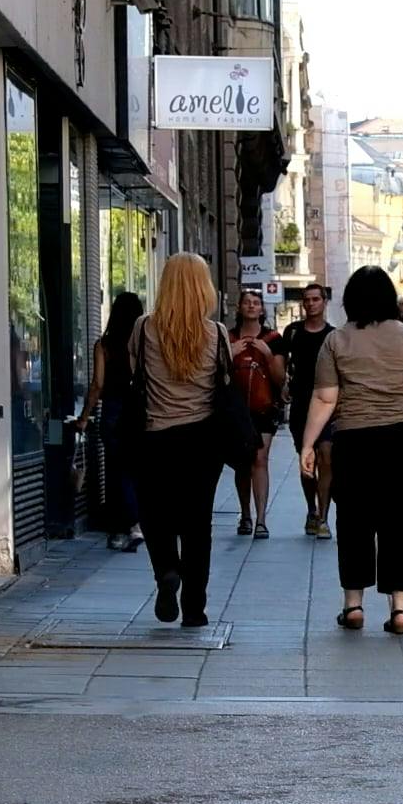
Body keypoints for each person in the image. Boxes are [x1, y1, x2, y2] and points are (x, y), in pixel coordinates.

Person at [299, 265, 403, 635]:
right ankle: (400, 608)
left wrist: (308, 445)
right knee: (400, 522)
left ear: (350, 300)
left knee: (353, 521)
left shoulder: (336, 341)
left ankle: (353, 605)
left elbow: (325, 398)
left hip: (354, 440)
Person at [128, 253, 232, 628]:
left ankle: (166, 572)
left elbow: (135, 373)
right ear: (204, 287)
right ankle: (194, 608)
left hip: (154, 438)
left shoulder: (143, 328)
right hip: (203, 441)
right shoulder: (217, 333)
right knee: (197, 524)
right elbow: (225, 382)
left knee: (155, 516)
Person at [72, 292, 145, 552]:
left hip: (113, 412)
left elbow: (97, 385)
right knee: (134, 470)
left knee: (116, 471)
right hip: (140, 411)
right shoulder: (145, 343)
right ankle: (133, 526)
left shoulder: (104, 345)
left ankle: (124, 529)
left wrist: (84, 417)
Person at [228, 288, 286, 540]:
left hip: (264, 407)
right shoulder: (227, 336)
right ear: (239, 308)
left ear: (262, 309)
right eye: (247, 303)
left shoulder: (273, 338)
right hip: (235, 409)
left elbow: (279, 378)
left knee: (259, 460)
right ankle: (245, 514)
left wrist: (267, 354)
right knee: (242, 463)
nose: (251, 306)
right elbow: (215, 374)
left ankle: (261, 518)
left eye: (256, 303)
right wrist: (230, 353)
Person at [280, 283, 335, 539]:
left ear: (324, 302)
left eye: (316, 299)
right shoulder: (292, 333)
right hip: (301, 404)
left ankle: (323, 516)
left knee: (326, 456)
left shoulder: (333, 335)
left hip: (326, 403)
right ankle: (311, 509)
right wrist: (282, 386)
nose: (311, 304)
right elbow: (282, 365)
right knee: (307, 461)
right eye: (307, 300)